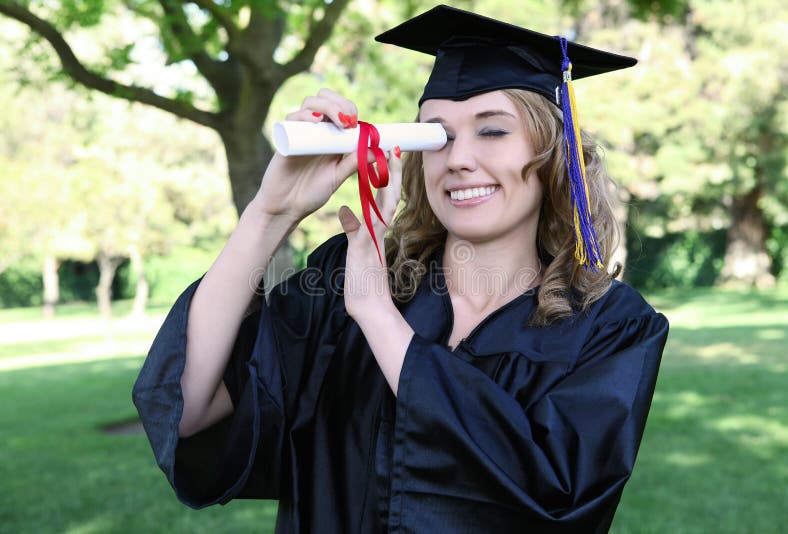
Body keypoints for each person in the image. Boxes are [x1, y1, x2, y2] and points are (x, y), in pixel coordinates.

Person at [133, 5, 668, 533]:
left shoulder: (609, 327)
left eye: (492, 131)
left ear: (554, 152)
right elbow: (185, 408)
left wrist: (381, 321)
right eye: (436, 134)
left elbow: (554, 503)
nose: (458, 157)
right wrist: (271, 215)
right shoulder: (348, 280)